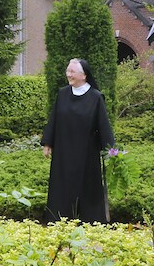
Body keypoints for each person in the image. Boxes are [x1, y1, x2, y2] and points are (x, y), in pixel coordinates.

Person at [41, 57, 115, 223]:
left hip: (86, 153)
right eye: (68, 71)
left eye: (72, 71)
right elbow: (54, 119)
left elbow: (103, 125)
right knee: (62, 187)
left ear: (84, 76)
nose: (68, 74)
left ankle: (91, 222)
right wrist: (48, 143)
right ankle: (58, 220)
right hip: (63, 151)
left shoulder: (95, 97)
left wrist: (111, 151)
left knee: (87, 188)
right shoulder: (62, 94)